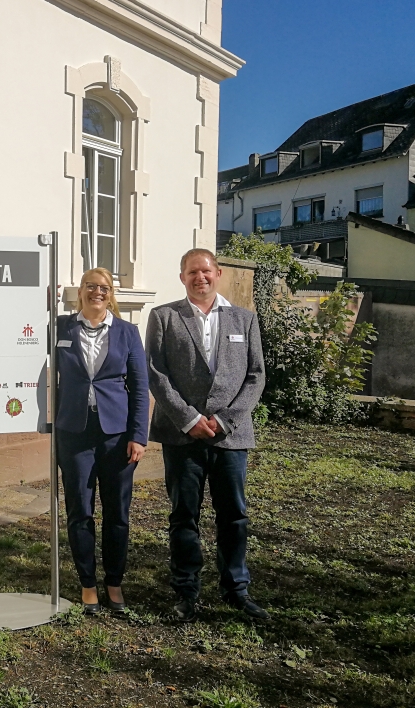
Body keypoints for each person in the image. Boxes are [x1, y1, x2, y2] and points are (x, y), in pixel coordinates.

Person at [146, 248, 267, 623]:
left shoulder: (244, 320)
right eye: (192, 272)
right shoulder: (164, 317)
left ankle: (236, 590)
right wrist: (188, 418)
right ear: (182, 277)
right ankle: (186, 592)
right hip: (182, 436)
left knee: (234, 516)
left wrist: (225, 420)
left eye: (206, 271)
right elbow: (156, 372)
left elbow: (255, 376)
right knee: (184, 516)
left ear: (218, 274)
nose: (200, 277)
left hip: (231, 437)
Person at [55, 268, 149, 615]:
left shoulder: (127, 332)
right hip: (75, 434)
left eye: (104, 288)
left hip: (116, 435)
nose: (98, 292)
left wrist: (139, 435)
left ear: (111, 295)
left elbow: (140, 387)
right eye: (91, 286)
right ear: (80, 291)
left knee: (118, 513)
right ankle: (88, 584)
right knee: (80, 511)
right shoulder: (61, 328)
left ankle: (114, 582)